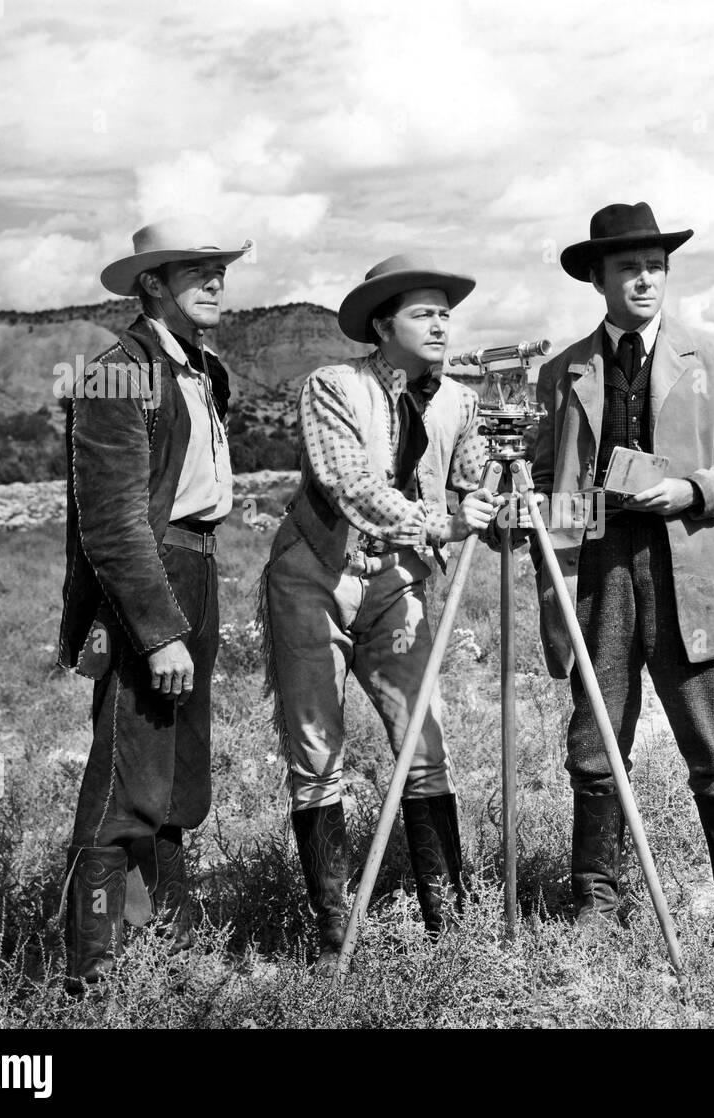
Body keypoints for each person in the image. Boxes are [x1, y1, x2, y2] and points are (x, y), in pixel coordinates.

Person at [531, 201, 714, 958]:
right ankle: (595, 907)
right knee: (595, 744)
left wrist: (694, 491)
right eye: (629, 267)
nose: (645, 279)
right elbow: (545, 482)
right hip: (601, 572)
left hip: (692, 569)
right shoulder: (560, 371)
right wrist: (541, 517)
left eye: (655, 266)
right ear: (599, 278)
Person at [259, 254, 497, 972]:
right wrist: (438, 524)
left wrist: (496, 492)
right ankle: (336, 935)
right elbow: (348, 482)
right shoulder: (334, 386)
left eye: (446, 312)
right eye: (424, 312)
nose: (441, 324)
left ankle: (446, 924)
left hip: (399, 581)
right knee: (315, 750)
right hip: (315, 576)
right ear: (383, 324)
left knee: (425, 746)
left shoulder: (459, 401)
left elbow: (472, 482)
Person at [56, 214, 250, 992]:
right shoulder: (116, 372)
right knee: (123, 778)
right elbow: (111, 522)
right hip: (151, 577)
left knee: (175, 773)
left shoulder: (204, 370)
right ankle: (90, 976)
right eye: (194, 270)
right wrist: (159, 629)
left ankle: (171, 951)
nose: (215, 281)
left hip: (197, 567)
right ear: (151, 284)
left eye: (219, 269)